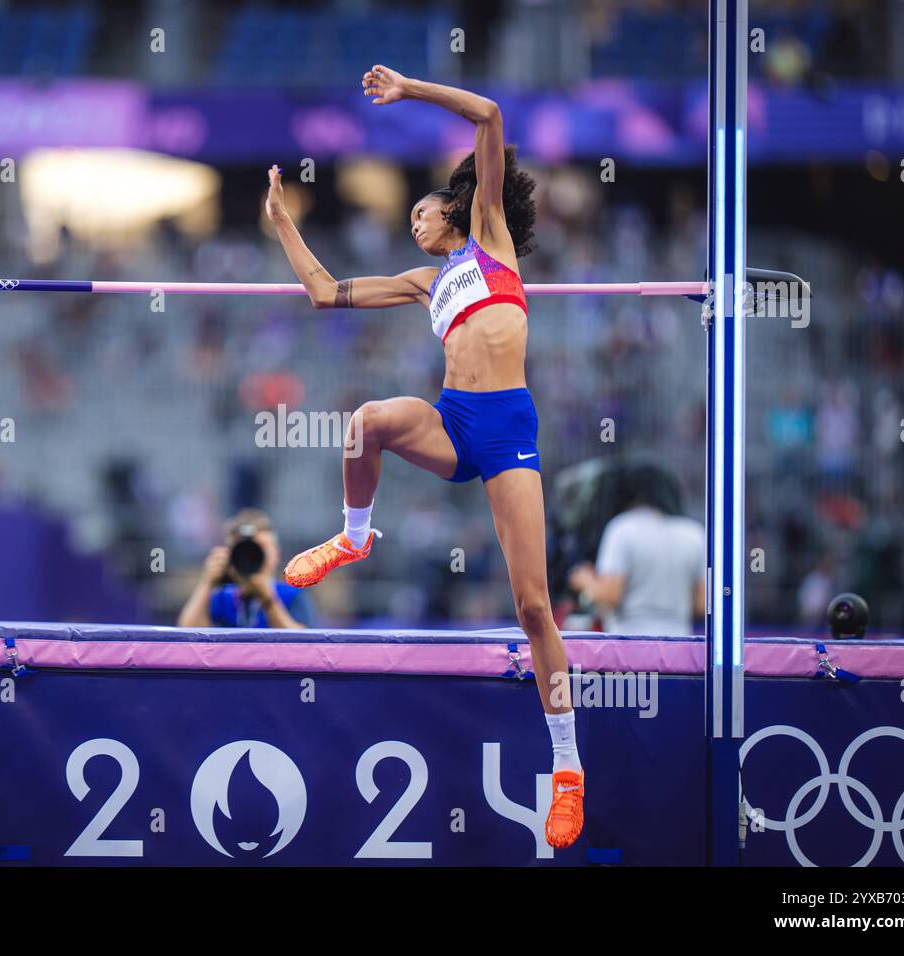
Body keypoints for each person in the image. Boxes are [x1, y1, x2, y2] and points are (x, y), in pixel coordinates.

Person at [263, 65, 582, 848]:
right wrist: (282, 224)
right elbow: (325, 293)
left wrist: (408, 89)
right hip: (452, 419)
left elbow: (490, 114)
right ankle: (355, 535)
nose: (413, 222)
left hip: (507, 427)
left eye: (420, 211)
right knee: (365, 422)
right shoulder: (421, 281)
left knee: (534, 606)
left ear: (455, 209)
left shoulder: (490, 238)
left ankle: (568, 768)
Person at [568, 464, 706, 637]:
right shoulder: (694, 533)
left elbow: (611, 595)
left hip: (631, 644)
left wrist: (585, 581)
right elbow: (702, 604)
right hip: (679, 643)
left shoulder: (623, 528)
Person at [177, 508, 314, 629]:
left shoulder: (291, 595)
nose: (250, 556)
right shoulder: (222, 598)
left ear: (276, 555)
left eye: (260, 548)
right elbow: (189, 637)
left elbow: (303, 645)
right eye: (242, 549)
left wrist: (269, 601)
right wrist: (207, 583)